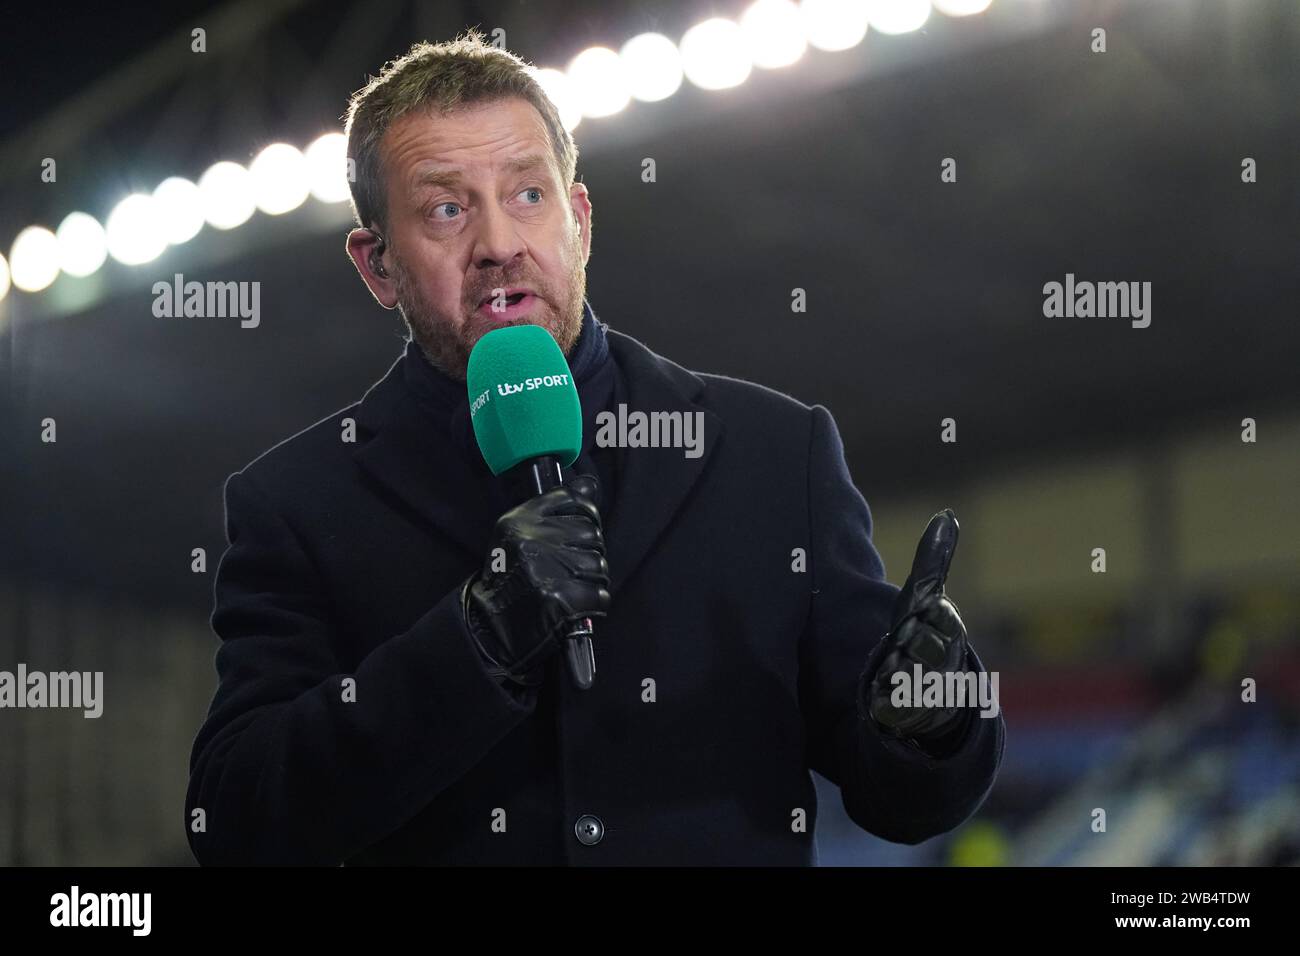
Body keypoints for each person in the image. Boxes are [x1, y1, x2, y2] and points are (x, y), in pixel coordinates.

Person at [185, 31, 1004, 865]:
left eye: (529, 195)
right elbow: (236, 818)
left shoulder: (774, 452)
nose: (500, 243)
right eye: (446, 208)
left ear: (579, 220)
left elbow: (899, 797)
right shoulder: (297, 502)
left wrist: (936, 714)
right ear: (378, 266)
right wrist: (473, 644)